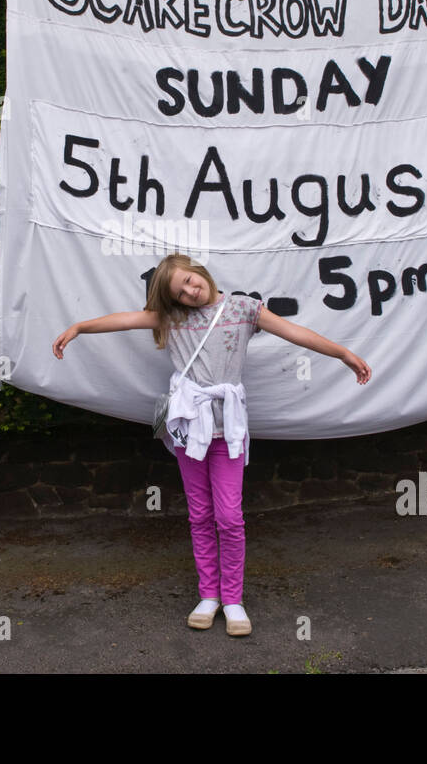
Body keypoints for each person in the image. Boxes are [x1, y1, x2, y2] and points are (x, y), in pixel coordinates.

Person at [52, 253, 371, 636]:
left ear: (198, 271)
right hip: (189, 429)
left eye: (189, 280)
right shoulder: (173, 318)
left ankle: (233, 600)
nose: (189, 291)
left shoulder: (243, 308)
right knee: (200, 515)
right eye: (180, 292)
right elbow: (123, 320)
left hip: (228, 431)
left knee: (229, 517)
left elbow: (295, 332)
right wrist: (79, 328)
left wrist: (344, 354)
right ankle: (209, 595)